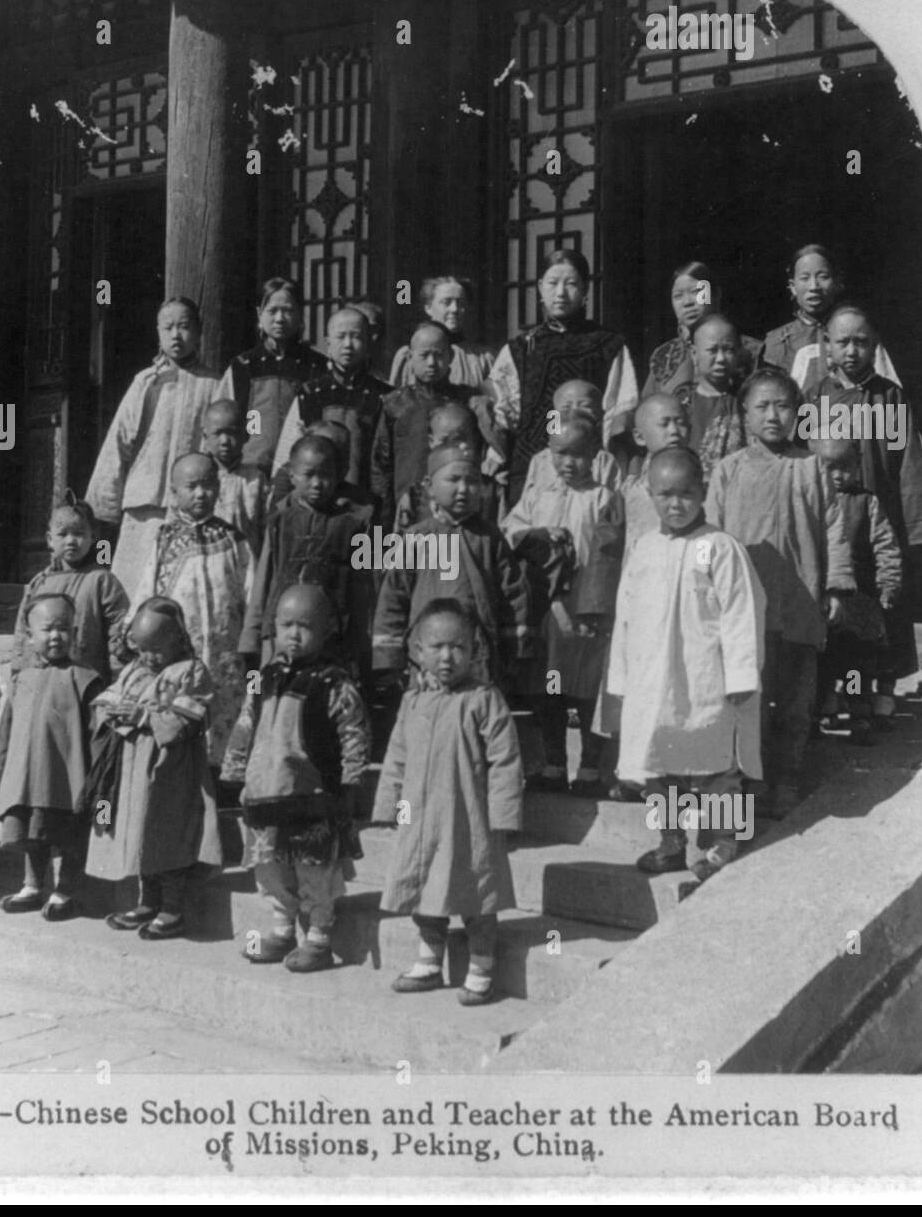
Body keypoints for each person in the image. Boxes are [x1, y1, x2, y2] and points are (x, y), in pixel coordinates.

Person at [609, 448, 765, 883]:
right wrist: (622, 676)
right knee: (658, 767)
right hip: (652, 682)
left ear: (704, 491)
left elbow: (741, 614)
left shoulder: (718, 548)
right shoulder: (644, 548)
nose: (675, 504)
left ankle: (722, 843)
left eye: (686, 494)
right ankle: (670, 842)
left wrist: (740, 675)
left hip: (704, 679)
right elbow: (626, 614)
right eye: (665, 494)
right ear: (649, 493)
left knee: (716, 765)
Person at [706, 370, 855, 818]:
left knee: (794, 703)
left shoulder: (811, 468)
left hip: (799, 605)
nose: (773, 415)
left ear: (798, 413)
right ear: (745, 415)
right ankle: (751, 784)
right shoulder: (728, 470)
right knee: (749, 701)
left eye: (783, 406)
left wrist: (835, 587)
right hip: (744, 612)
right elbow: (710, 536)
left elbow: (835, 530)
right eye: (762, 407)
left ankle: (787, 778)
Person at [372, 599, 523, 1005]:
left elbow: (505, 761)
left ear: (474, 652)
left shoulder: (483, 700)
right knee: (424, 891)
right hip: (422, 820)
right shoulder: (413, 702)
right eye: (436, 647)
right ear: (417, 652)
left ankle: (480, 967)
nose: (446, 657)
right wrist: (390, 806)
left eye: (458, 647)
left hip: (469, 819)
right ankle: (428, 960)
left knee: (477, 896)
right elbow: (397, 758)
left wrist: (504, 814)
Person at [223, 584, 371, 973]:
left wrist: (352, 782)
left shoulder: (334, 683)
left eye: (305, 626)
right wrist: (237, 771)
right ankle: (281, 928)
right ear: (273, 628)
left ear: (325, 631)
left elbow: (354, 734)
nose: (294, 634)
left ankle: (320, 936)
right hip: (265, 792)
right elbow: (245, 724)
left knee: (314, 868)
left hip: (311, 794)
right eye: (286, 624)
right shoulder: (264, 677)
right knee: (270, 867)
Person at [807, 304, 922, 721]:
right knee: (840, 610)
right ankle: (843, 690)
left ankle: (882, 687)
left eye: (861, 342)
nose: (851, 351)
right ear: (827, 345)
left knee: (884, 606)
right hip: (836, 521)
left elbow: (907, 464)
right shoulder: (818, 397)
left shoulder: (890, 396)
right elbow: (808, 463)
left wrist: (916, 526)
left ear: (874, 346)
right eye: (842, 341)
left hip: (879, 517)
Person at [86, 598, 221, 941]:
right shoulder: (136, 669)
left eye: (156, 650)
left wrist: (144, 716)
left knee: (167, 836)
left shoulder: (192, 672)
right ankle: (147, 901)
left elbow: (189, 720)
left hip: (171, 771)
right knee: (141, 835)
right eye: (142, 649)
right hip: (132, 769)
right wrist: (111, 709)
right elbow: (108, 696)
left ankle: (172, 909)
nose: (148, 658)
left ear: (178, 638)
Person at [503, 419, 624, 796]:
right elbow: (509, 535)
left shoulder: (604, 497)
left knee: (588, 689)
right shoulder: (538, 496)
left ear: (594, 456)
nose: (569, 462)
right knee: (550, 686)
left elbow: (611, 551)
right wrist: (535, 535)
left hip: (588, 610)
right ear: (548, 454)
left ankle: (590, 769)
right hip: (548, 611)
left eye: (578, 454)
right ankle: (555, 764)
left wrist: (597, 603)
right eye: (560, 453)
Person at [85, 297, 230, 595]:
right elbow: (119, 441)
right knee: (133, 585)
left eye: (184, 327)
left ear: (199, 332)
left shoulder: (215, 384)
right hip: (144, 503)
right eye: (168, 328)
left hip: (191, 505)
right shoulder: (145, 382)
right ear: (158, 333)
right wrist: (102, 506)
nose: (176, 335)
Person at [125, 452, 253, 771]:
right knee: (181, 707)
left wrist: (254, 635)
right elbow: (147, 592)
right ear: (174, 492)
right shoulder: (164, 539)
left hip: (225, 650)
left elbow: (249, 589)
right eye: (191, 486)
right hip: (180, 653)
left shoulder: (232, 537)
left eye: (209, 485)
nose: (201, 493)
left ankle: (222, 777)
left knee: (225, 710)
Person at [486, 248, 638, 503]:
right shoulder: (522, 347)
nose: (560, 293)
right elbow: (504, 415)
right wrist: (497, 459)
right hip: (531, 468)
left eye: (571, 284)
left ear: (585, 290)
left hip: (589, 468)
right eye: (553, 283)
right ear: (540, 288)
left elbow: (618, 414)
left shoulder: (608, 345)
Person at [372, 443, 530, 684]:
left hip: (477, 656)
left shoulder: (490, 538)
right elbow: (393, 597)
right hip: (426, 659)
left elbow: (513, 595)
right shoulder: (415, 538)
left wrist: (517, 649)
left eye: (473, 481)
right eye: (453, 480)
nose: (464, 489)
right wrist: (389, 657)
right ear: (429, 486)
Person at [0, 594, 104, 921]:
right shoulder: (21, 677)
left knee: (68, 836)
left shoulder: (85, 679)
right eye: (47, 629)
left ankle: (65, 890)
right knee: (31, 833)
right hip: (25, 777)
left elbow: (98, 733)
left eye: (64, 628)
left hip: (66, 778)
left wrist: (99, 779)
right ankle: (33, 885)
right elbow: (6, 727)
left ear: (75, 631)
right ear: (29, 634)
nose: (56, 636)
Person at [240, 435, 372, 670]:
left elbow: (365, 588)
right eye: (309, 475)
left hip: (333, 636)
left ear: (339, 476)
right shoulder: (280, 520)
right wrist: (252, 636)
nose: (317, 484)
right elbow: (264, 580)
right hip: (281, 634)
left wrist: (362, 643)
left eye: (326, 475)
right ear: (292, 475)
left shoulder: (356, 523)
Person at [813, 439, 903, 745]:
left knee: (857, 661)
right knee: (822, 659)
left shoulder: (866, 502)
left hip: (859, 599)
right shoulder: (811, 501)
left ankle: (859, 712)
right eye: (829, 468)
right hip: (822, 597)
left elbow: (885, 545)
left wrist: (888, 582)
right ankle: (822, 709)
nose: (838, 476)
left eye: (845, 467)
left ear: (857, 465)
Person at [371, 322, 489, 527]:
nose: (432, 363)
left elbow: (483, 457)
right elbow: (382, 464)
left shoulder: (467, 402)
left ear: (451, 357)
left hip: (458, 508)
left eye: (439, 355)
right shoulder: (394, 405)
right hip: (408, 508)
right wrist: (385, 516)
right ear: (409, 358)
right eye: (424, 356)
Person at [271, 306, 391, 502]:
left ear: (368, 342)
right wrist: (279, 500)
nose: (348, 345)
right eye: (340, 337)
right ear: (328, 343)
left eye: (356, 337)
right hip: (317, 498)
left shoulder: (385, 395)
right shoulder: (310, 394)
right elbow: (287, 455)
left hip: (367, 500)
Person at [9, 491, 128, 681]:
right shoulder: (39, 583)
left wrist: (117, 679)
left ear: (93, 536)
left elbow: (118, 635)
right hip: (42, 680)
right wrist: (18, 675)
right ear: (49, 539)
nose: (71, 541)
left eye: (79, 533)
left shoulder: (102, 581)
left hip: (88, 680)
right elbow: (23, 634)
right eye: (62, 534)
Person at [222, 277, 330, 473]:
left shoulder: (316, 366)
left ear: (300, 316)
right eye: (272, 311)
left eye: (288, 311)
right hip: (250, 466)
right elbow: (227, 418)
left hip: (301, 469)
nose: (280, 318)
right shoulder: (243, 366)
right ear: (259, 314)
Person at [760, 244, 902, 393]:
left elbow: (889, 396)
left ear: (837, 282)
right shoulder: (776, 343)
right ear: (793, 286)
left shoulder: (862, 333)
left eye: (823, 277)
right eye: (804, 278)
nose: (814, 286)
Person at [641, 261, 760, 408]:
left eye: (697, 292)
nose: (687, 302)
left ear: (716, 295)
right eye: (678, 296)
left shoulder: (750, 351)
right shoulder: (664, 355)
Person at [391, 402, 502, 532]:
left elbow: (504, 538)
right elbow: (400, 543)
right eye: (444, 441)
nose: (451, 448)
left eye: (460, 439)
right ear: (431, 442)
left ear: (474, 441)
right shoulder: (415, 495)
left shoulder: (491, 491)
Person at [388, 276, 494, 388]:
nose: (454, 309)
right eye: (446, 302)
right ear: (428, 308)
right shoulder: (409, 356)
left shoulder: (483, 359)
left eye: (460, 303)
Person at [621, 393, 691, 555]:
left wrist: (703, 572)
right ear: (639, 437)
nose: (674, 431)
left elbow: (708, 538)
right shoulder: (627, 494)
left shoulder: (703, 489)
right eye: (664, 424)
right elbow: (608, 552)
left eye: (680, 423)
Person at [200, 398, 267, 559]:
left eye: (232, 433)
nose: (224, 441)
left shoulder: (256, 479)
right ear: (205, 436)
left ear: (245, 436)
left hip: (245, 567)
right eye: (217, 433)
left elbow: (267, 531)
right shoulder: (197, 476)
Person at [687, 314, 748, 477]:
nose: (721, 358)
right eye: (712, 350)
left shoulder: (747, 399)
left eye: (728, 349)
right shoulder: (683, 402)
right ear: (694, 353)